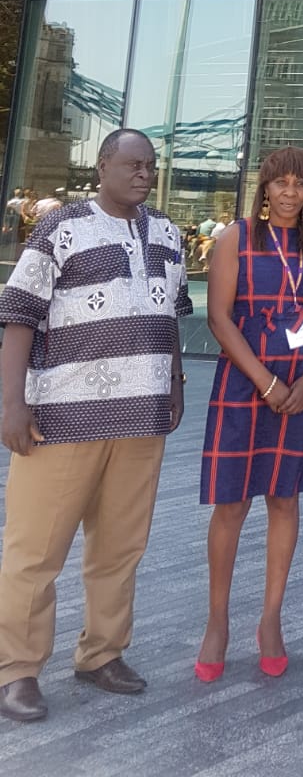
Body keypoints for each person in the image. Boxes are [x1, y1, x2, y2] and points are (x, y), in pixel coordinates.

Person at [0, 130, 189, 723]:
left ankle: (101, 654)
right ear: (103, 164)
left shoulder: (168, 233)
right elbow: (18, 316)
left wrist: (175, 383)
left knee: (120, 548)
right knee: (35, 551)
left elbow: (170, 316)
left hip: (140, 419)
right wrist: (11, 403)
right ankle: (17, 670)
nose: (143, 174)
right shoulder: (61, 230)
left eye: (150, 166)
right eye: (132, 163)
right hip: (62, 418)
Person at [195, 147, 303, 681]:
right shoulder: (236, 236)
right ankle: (217, 623)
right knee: (231, 502)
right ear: (264, 187)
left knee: (284, 497)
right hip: (244, 379)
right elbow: (217, 317)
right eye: (279, 183)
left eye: (300, 185)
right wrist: (266, 380)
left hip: (301, 385)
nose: (289, 193)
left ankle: (271, 619)